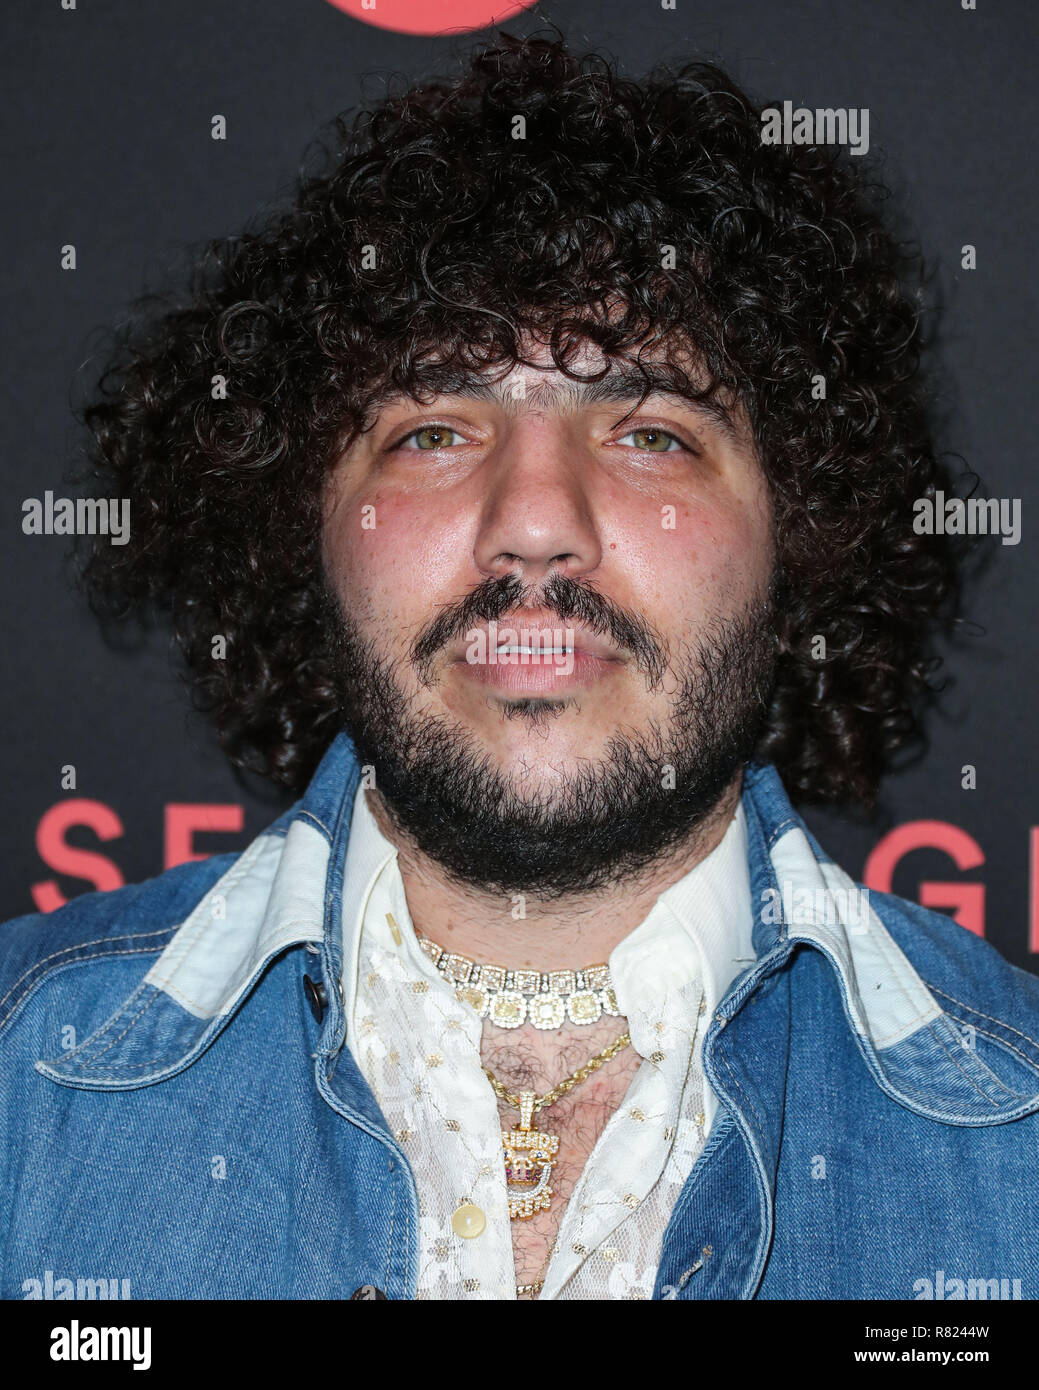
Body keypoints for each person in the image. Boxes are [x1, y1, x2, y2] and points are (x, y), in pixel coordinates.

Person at [3, 32, 1036, 1303]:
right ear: (303, 531)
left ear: (797, 536)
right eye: (434, 429)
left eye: (651, 434)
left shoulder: (1021, 1142)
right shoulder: (18, 1084)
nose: (535, 520)